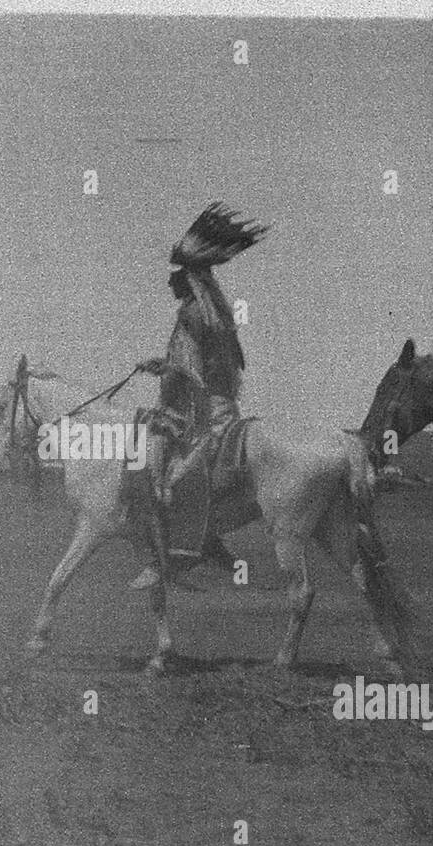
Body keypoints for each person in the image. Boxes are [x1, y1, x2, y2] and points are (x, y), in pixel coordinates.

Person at [130, 203, 268, 590]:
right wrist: (163, 363)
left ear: (191, 279)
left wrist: (166, 369)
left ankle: (168, 560)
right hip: (220, 405)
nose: (171, 281)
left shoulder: (191, 315)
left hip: (201, 411)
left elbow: (189, 371)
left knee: (157, 474)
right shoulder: (213, 316)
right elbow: (198, 363)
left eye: (178, 275)